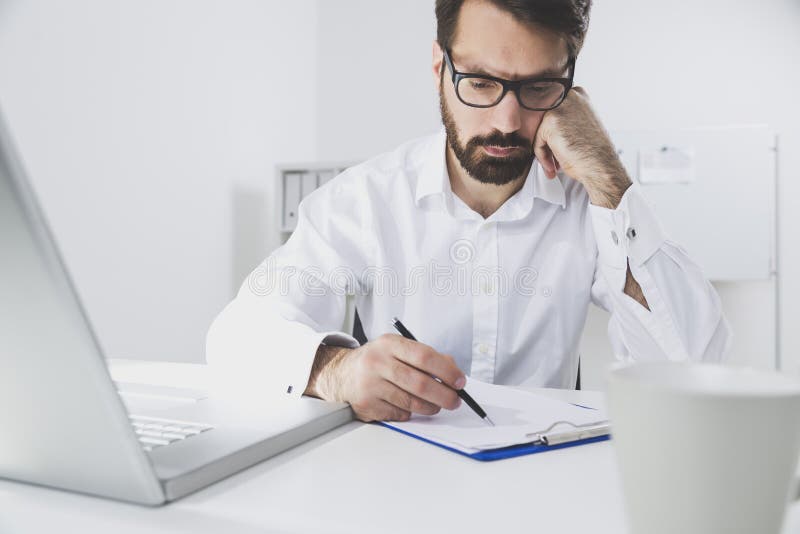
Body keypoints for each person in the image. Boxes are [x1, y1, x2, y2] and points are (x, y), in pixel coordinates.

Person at [207, 0, 730, 422]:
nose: (507, 120)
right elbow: (236, 336)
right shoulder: (365, 199)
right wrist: (337, 370)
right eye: (480, 82)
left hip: (546, 491)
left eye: (538, 87)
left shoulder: (592, 205)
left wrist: (608, 177)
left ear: (570, 81)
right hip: (392, 492)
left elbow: (692, 366)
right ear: (440, 66)